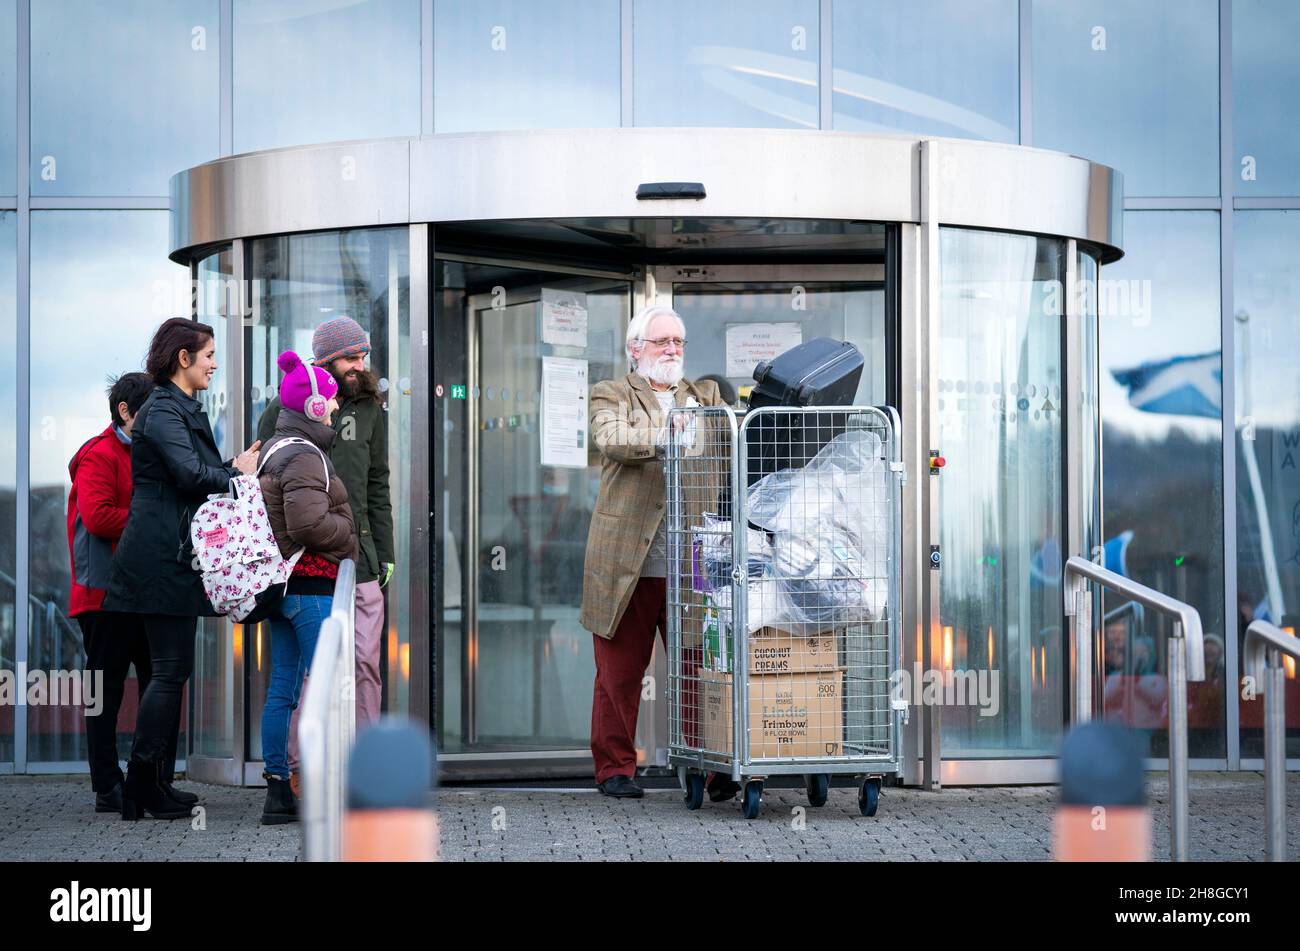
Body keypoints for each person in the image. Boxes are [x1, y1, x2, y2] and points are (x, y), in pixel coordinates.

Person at [104, 318, 261, 820]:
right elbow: (191, 475)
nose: (215, 363)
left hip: (167, 554)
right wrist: (236, 473)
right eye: (209, 354)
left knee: (171, 671)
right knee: (169, 672)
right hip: (159, 559)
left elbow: (190, 474)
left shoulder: (174, 408)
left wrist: (232, 466)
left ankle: (150, 783)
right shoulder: (165, 410)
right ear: (183, 359)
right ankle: (141, 785)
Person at [580, 304, 726, 799]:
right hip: (627, 562)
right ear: (635, 349)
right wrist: (666, 434)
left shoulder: (704, 397)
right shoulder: (611, 393)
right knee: (619, 674)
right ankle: (615, 769)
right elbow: (611, 438)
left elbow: (733, 438)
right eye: (662, 342)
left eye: (678, 343)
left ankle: (712, 767)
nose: (672, 350)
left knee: (698, 670)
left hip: (692, 562)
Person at [256, 316, 393, 795]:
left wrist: (385, 550)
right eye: (351, 357)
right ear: (324, 362)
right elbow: (266, 482)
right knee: (309, 673)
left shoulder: (373, 408)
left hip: (364, 559)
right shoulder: (282, 408)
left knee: (365, 664)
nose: (360, 366)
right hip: (307, 567)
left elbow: (379, 484)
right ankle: (298, 769)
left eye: (363, 356)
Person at [257, 351, 357, 825]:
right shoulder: (303, 454)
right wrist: (347, 531)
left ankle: (279, 790)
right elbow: (307, 524)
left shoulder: (276, 448)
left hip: (283, 588)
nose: (336, 408)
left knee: (285, 688)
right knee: (327, 690)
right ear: (315, 407)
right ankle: (324, 788)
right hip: (310, 587)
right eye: (332, 401)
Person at [66, 371, 154, 814]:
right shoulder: (99, 454)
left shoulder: (143, 451)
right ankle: (107, 786)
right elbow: (99, 518)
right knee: (107, 693)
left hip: (138, 593)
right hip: (102, 598)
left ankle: (146, 779)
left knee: (157, 682)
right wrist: (152, 520)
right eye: (151, 413)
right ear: (125, 411)